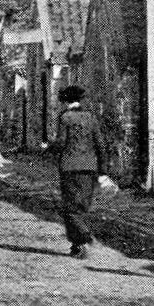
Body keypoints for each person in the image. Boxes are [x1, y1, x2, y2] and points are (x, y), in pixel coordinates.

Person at [45, 85, 108, 259]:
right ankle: (76, 245)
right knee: (82, 206)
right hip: (89, 168)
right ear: (79, 100)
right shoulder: (91, 118)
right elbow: (100, 145)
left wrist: (48, 148)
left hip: (69, 167)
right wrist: (103, 171)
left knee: (70, 207)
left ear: (65, 101)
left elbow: (61, 142)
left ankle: (84, 236)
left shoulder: (65, 118)